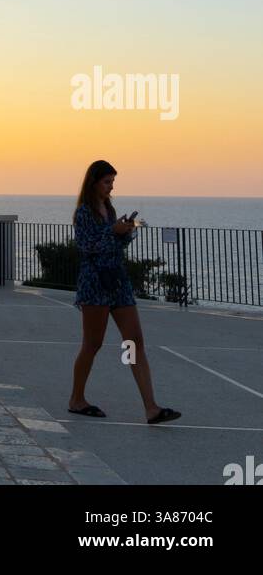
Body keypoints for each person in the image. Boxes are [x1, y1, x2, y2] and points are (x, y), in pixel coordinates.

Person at [68, 160, 181, 425]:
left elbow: (114, 244)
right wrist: (112, 231)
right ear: (94, 182)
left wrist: (125, 232)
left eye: (112, 182)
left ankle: (151, 407)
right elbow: (87, 246)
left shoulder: (108, 209)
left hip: (118, 281)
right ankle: (76, 399)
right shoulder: (84, 213)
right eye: (107, 182)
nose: (111, 187)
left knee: (135, 341)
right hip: (95, 283)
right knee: (92, 344)